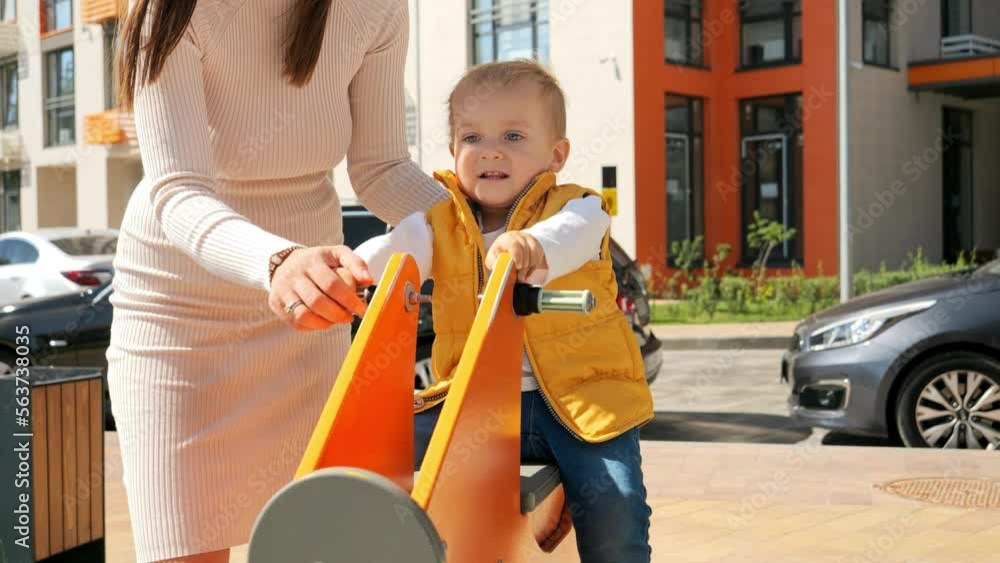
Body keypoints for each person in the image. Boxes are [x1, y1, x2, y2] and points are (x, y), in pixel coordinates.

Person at [107, 1, 447, 561]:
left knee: (310, 543)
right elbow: (178, 189)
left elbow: (382, 167)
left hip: (309, 321)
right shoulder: (168, 10)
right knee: (183, 549)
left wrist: (490, 233)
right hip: (179, 316)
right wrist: (277, 261)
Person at [355, 60, 655, 563]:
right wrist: (349, 269)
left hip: (581, 402)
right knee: (381, 453)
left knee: (615, 505)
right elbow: (392, 250)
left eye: (514, 135)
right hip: (473, 402)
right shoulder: (438, 224)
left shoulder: (577, 208)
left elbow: (571, 238)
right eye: (472, 136)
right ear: (453, 151)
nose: (490, 150)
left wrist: (531, 246)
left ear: (556, 154)